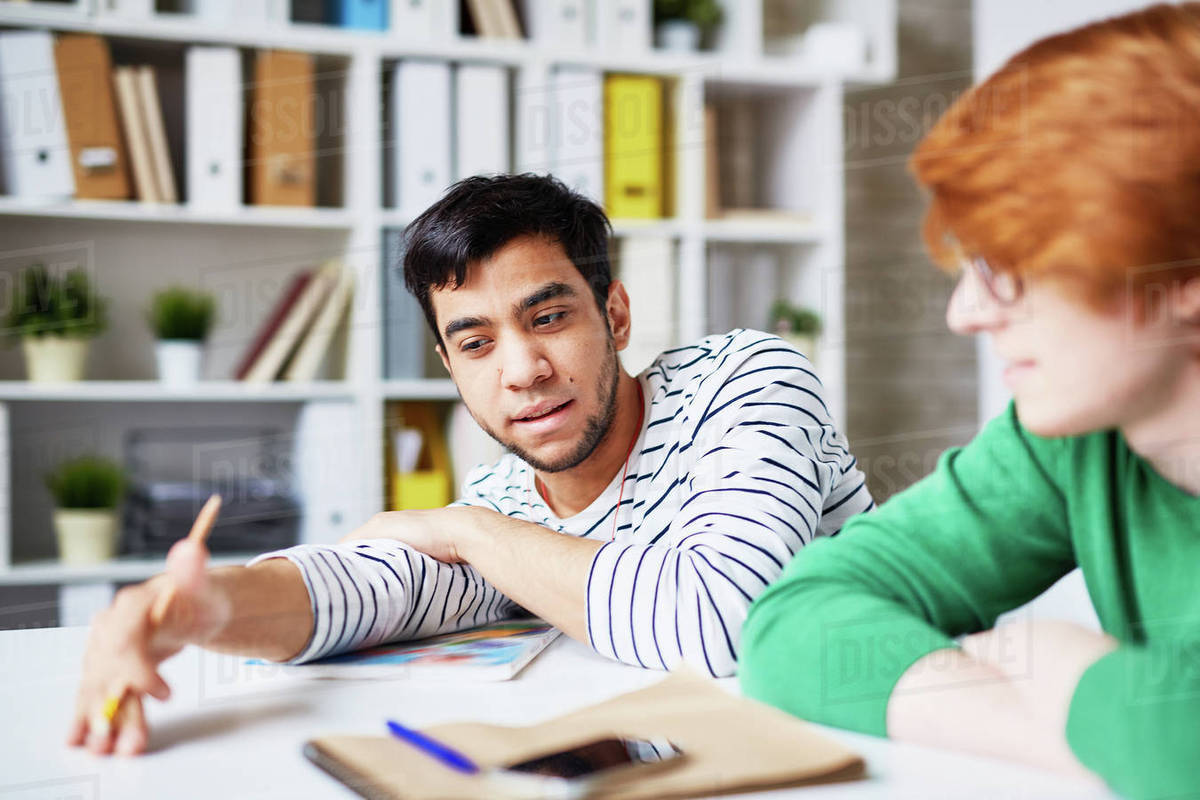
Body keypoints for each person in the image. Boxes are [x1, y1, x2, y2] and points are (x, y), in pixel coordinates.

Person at [71, 174, 872, 756]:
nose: (521, 371)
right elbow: (366, 591)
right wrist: (205, 606)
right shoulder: (501, 505)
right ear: (451, 366)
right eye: (476, 342)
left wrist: (466, 529)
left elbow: (723, 619)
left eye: (549, 317)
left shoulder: (747, 379)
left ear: (615, 315)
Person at [739, 4, 1200, 798]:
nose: (966, 313)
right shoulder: (1072, 441)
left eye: (1010, 266)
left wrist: (1067, 668)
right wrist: (1076, 715)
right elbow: (794, 622)